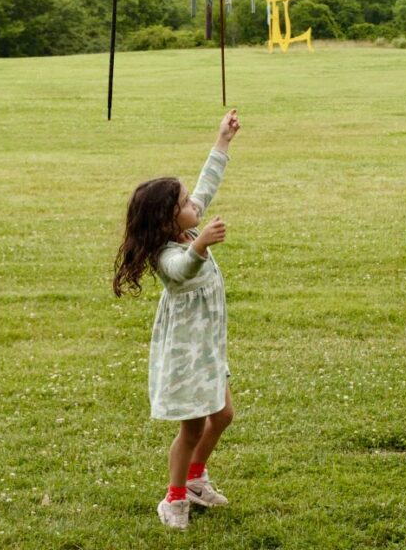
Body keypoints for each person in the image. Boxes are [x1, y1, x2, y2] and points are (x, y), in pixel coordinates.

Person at [112, 110, 242, 531]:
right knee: (192, 428)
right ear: (168, 219)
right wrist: (200, 246)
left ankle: (195, 480)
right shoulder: (168, 254)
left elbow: (207, 183)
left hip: (208, 349)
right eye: (185, 204)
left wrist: (222, 140)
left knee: (223, 416)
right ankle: (173, 499)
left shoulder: (185, 228)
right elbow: (183, 270)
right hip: (187, 356)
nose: (194, 205)